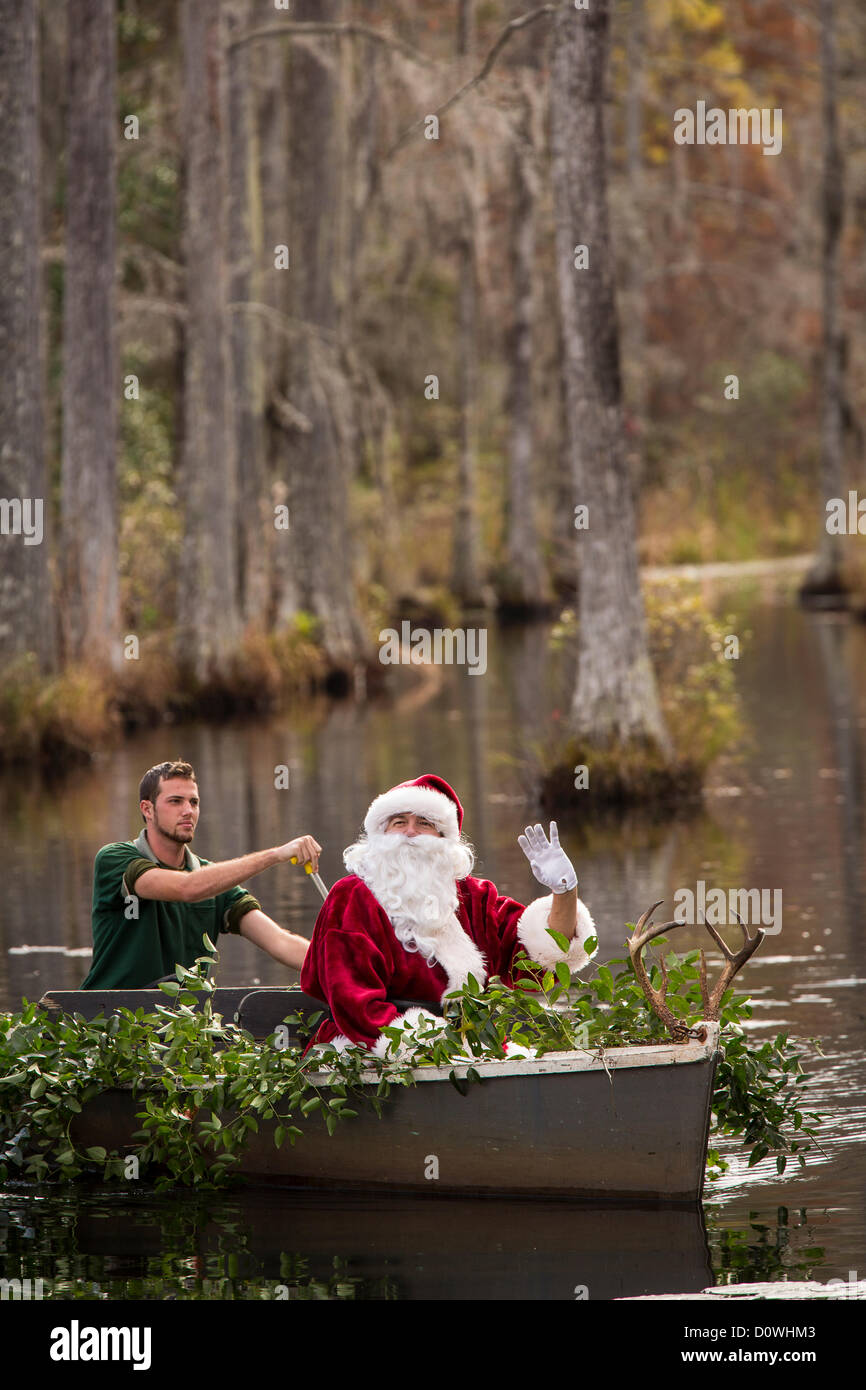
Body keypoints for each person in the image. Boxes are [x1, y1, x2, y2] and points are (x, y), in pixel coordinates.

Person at [300, 773, 596, 1055]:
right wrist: (434, 1046)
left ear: (444, 839)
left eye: (424, 823)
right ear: (380, 833)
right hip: (371, 1050)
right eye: (399, 822)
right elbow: (354, 1003)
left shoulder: (474, 898)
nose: (410, 832)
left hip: (469, 1048)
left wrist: (565, 890)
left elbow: (539, 962)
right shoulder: (352, 897)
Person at [81, 759, 318, 990]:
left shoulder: (213, 883)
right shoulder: (115, 859)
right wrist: (276, 854)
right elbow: (187, 888)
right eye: (175, 801)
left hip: (185, 1024)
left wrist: (341, 968)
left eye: (193, 802)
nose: (188, 811)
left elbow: (280, 942)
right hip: (110, 1020)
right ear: (147, 809)